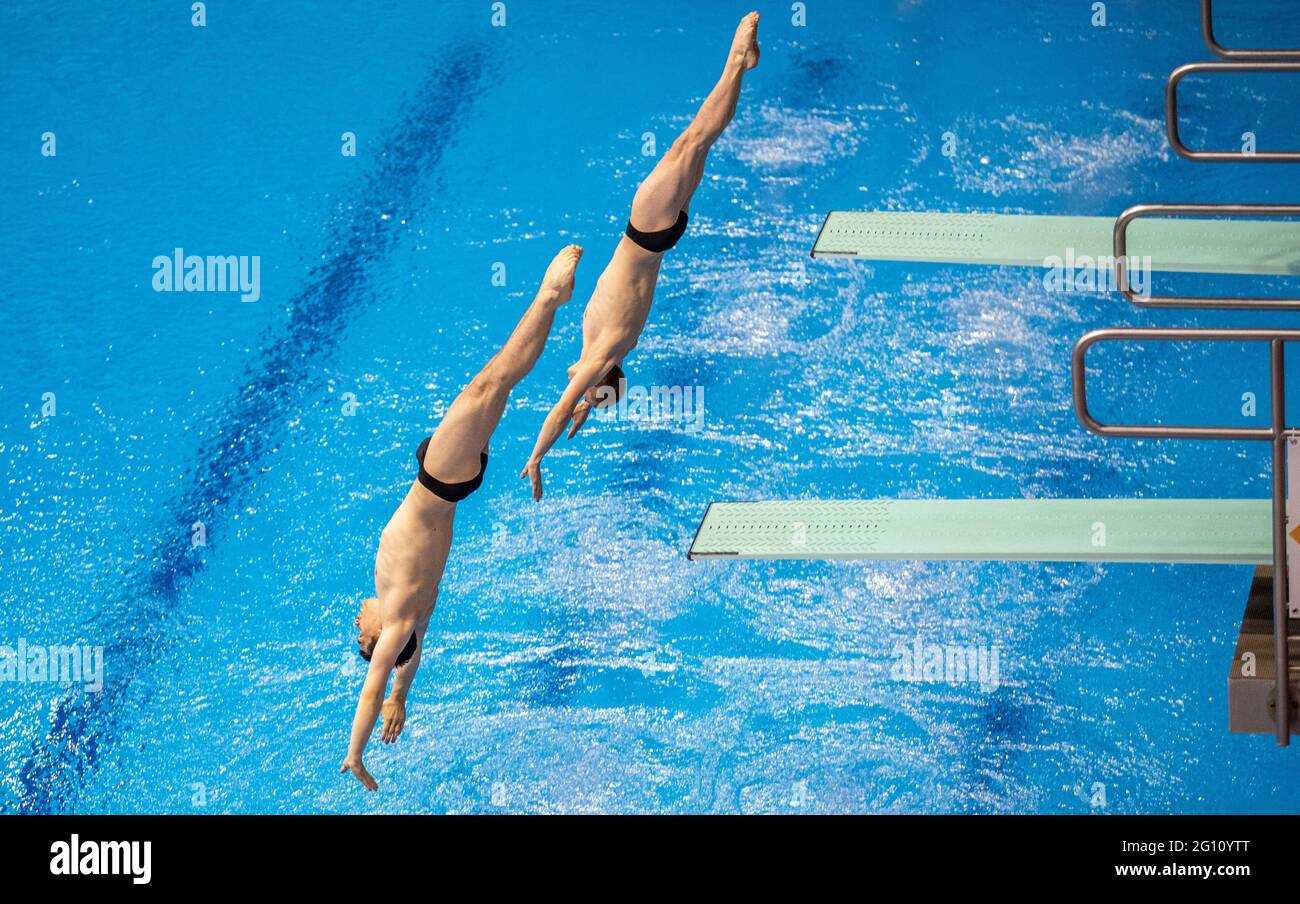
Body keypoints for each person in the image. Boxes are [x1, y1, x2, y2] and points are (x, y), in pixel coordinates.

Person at [341, 245, 583, 791]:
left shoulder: (412, 621)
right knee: (494, 378)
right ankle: (550, 296)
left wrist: (401, 699)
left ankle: (550, 301)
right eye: (363, 640)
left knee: (500, 383)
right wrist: (357, 755)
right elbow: (373, 686)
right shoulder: (400, 615)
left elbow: (402, 669)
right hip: (441, 478)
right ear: (380, 640)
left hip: (452, 483)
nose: (357, 627)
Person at [520, 12, 761, 501]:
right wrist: (537, 455)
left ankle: (743, 66)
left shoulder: (614, 351)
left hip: (664, 236)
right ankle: (736, 61)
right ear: (597, 380)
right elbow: (564, 403)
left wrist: (590, 404)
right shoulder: (601, 353)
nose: (580, 390)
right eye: (589, 391)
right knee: (693, 138)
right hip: (647, 227)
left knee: (701, 142)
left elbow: (582, 394)